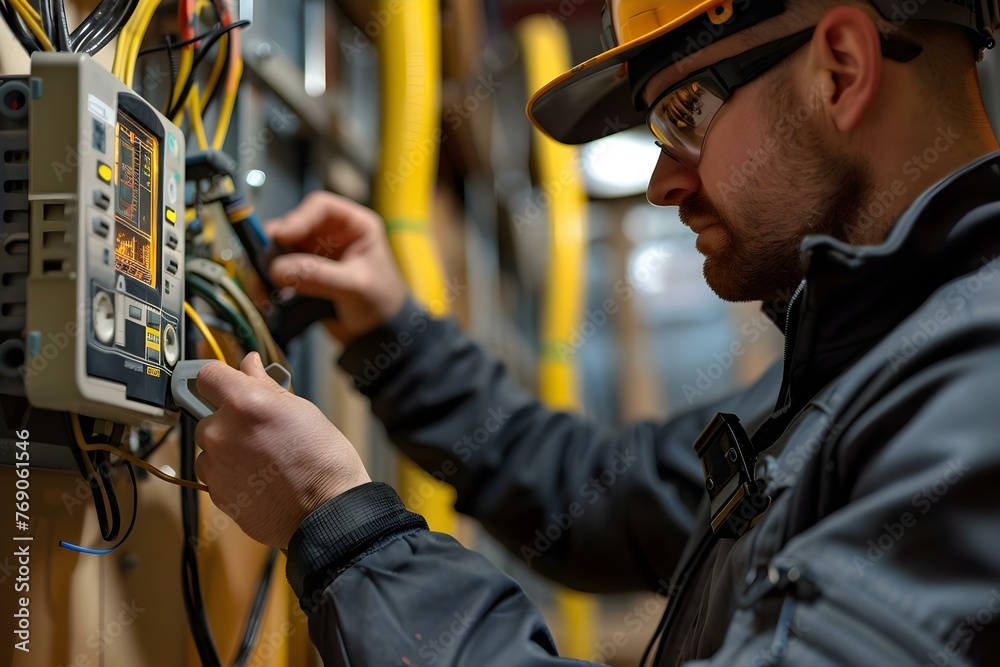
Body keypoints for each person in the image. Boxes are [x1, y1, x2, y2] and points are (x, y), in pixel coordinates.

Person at [191, 0, 1000, 664]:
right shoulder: (871, 357)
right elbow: (592, 498)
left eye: (688, 110)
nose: (660, 182)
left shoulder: (973, 387)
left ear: (844, 70)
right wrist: (394, 335)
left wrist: (337, 525)